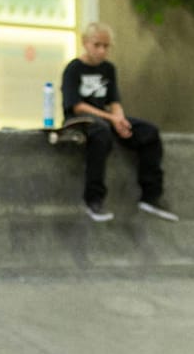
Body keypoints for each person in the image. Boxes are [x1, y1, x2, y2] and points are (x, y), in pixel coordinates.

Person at [59, 22, 179, 223]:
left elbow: (114, 101)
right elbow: (78, 106)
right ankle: (94, 199)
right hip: (80, 120)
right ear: (85, 43)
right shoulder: (73, 69)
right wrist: (111, 119)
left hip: (105, 118)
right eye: (97, 45)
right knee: (101, 134)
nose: (102, 51)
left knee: (148, 132)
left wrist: (120, 120)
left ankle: (151, 196)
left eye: (106, 46)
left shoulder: (108, 69)